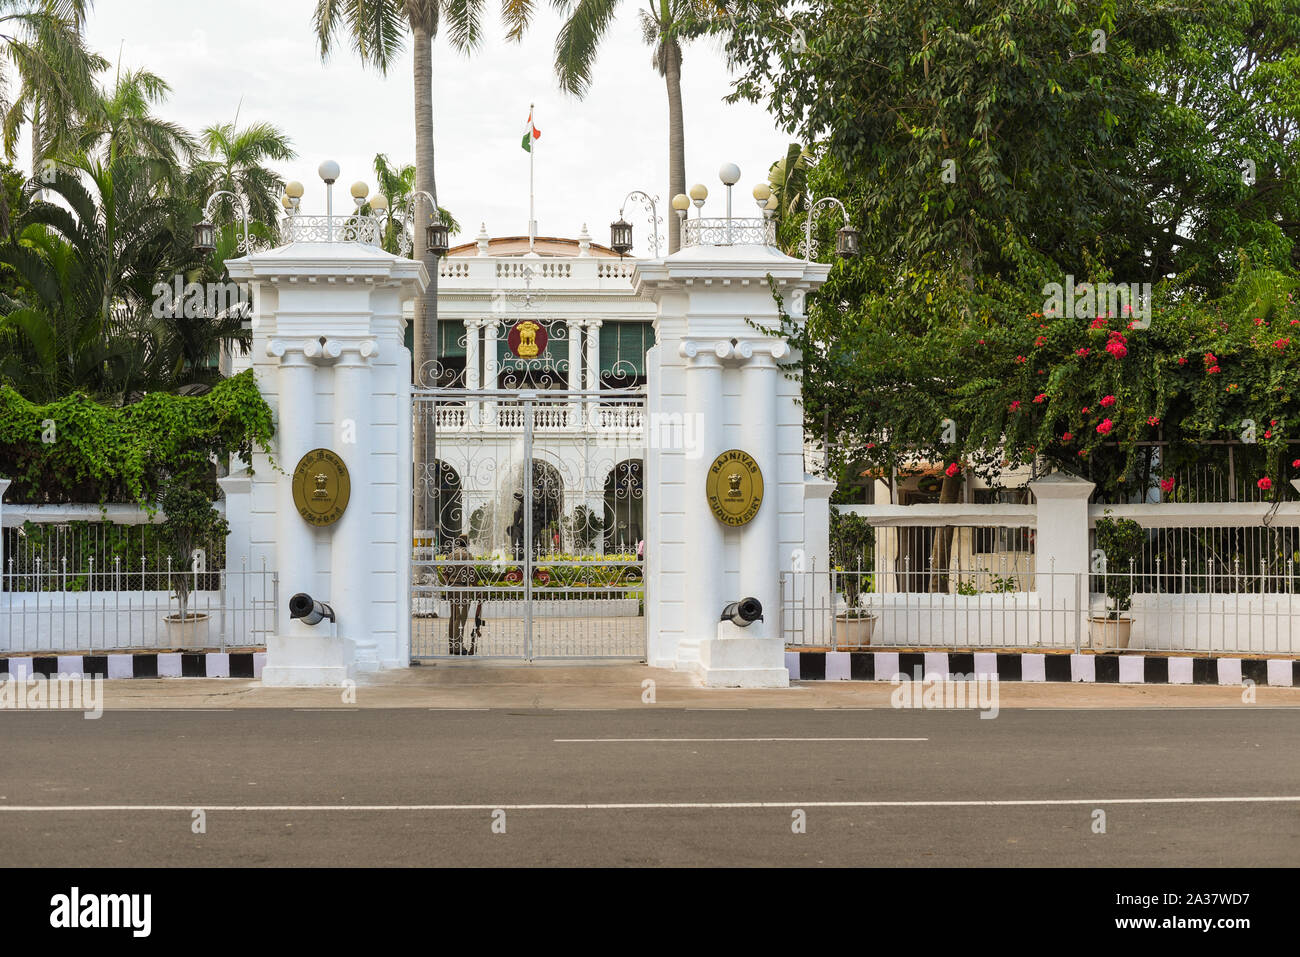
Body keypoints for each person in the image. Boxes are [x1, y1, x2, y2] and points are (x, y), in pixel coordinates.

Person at [443, 536, 474, 654]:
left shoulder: (451, 555)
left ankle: (452, 645)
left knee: (453, 617)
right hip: (462, 588)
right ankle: (457, 647)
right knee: (460, 618)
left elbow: (445, 572)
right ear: (466, 543)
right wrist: (478, 588)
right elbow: (471, 573)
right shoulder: (467, 555)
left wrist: (448, 585)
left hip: (452, 588)